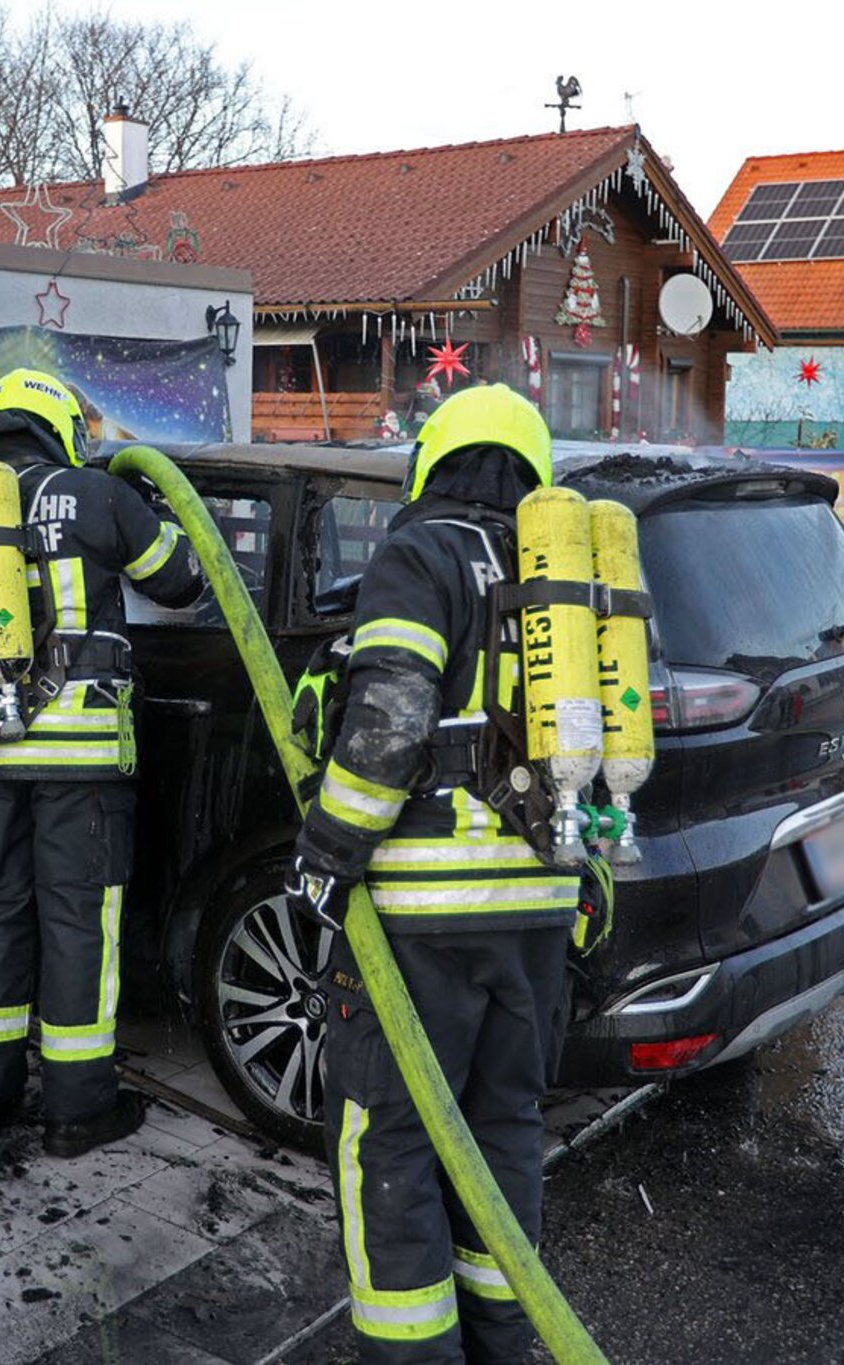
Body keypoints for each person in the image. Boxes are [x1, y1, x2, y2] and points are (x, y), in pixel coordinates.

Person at [286, 384, 580, 1363]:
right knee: (502, 1125)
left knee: (392, 1145)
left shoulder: (421, 553)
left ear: (431, 465)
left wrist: (327, 852)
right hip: (538, 906)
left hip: (423, 918)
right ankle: (504, 1339)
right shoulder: (560, 587)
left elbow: (392, 721)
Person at [0, 368, 203, 1158]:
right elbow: (182, 582)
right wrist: (150, 513)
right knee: (77, 925)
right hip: (80, 755)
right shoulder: (94, 494)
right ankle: (77, 1108)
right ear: (58, 427)